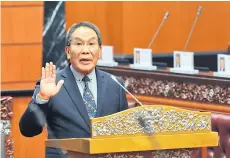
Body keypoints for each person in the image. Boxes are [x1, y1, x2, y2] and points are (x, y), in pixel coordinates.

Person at [19, 21, 128, 158]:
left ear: (99, 51)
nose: (85, 50)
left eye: (91, 44)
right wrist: (42, 98)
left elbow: (125, 136)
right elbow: (28, 130)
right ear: (68, 52)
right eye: (78, 44)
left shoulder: (115, 85)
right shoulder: (51, 84)